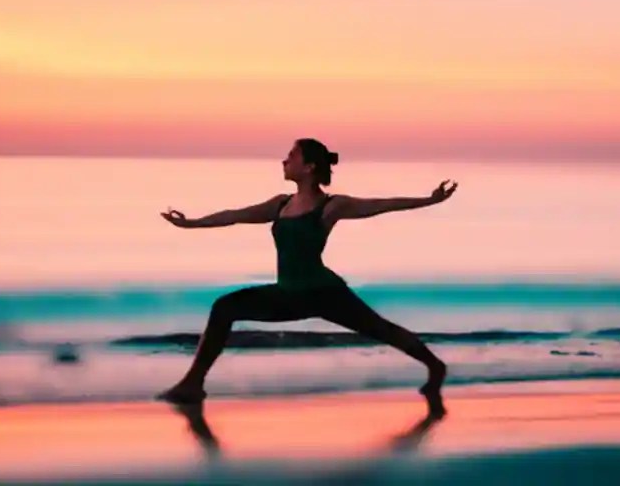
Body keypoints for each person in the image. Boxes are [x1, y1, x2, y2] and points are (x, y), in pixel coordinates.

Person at [156, 137, 457, 412]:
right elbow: (234, 216)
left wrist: (429, 200)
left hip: (324, 292)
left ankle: (435, 366)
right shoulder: (280, 204)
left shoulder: (330, 206)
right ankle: (193, 384)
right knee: (224, 308)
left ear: (310, 167)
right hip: (288, 293)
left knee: (380, 329)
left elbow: (381, 205)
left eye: (291, 156)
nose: (284, 161)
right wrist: (191, 224)